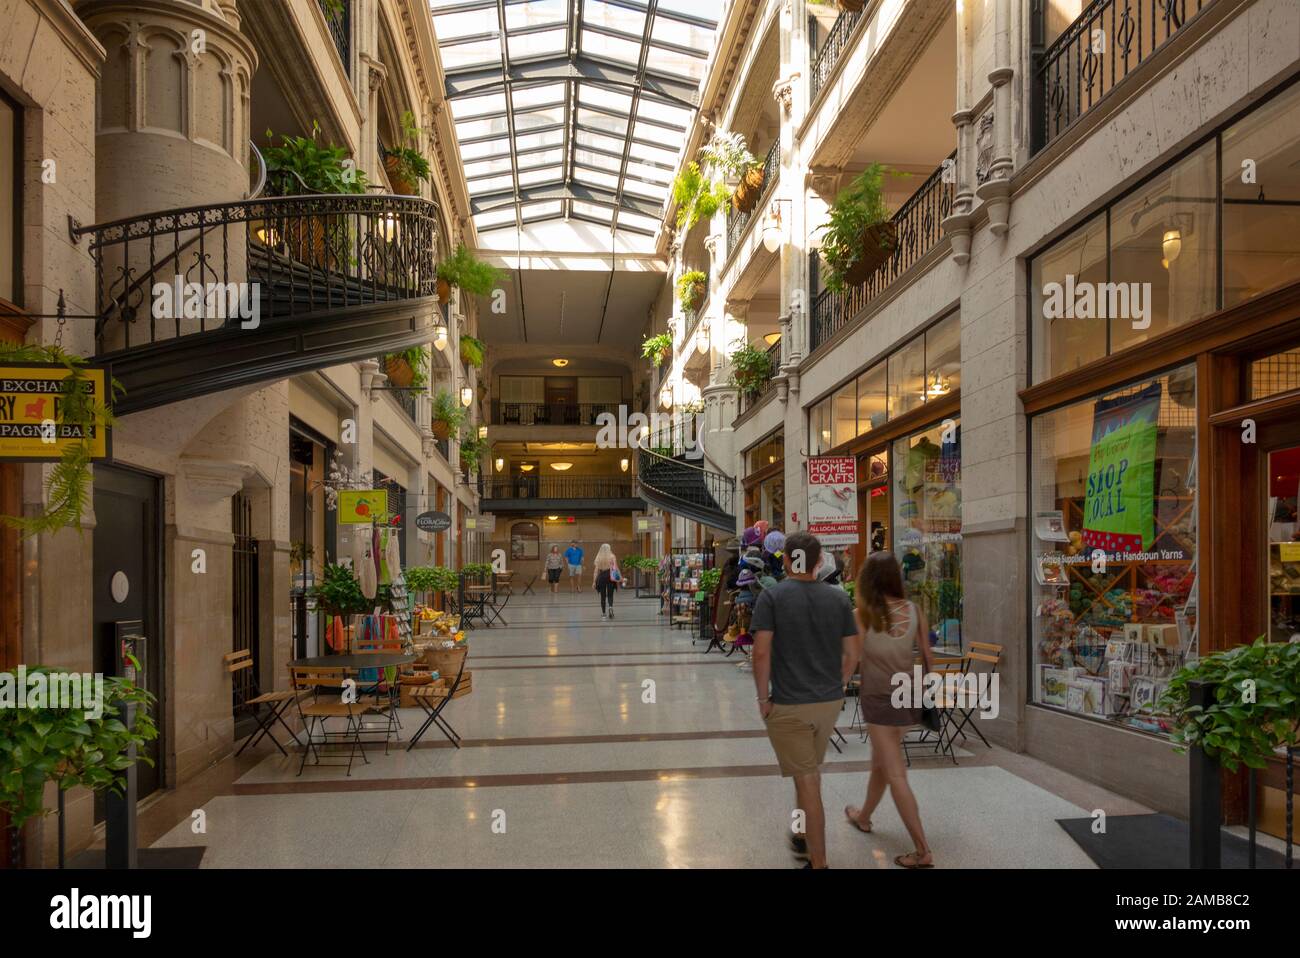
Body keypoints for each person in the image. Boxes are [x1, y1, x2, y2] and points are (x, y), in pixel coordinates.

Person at [750, 531, 859, 869]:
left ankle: (819, 861)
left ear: (785, 560)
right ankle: (800, 834)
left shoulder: (772, 598)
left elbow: (761, 653)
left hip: (789, 702)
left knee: (808, 780)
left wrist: (763, 697)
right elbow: (853, 653)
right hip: (827, 704)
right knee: (808, 771)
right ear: (819, 562)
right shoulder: (839, 599)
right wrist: (838, 684)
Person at [844, 551, 935, 869]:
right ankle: (864, 816)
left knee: (895, 772)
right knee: (881, 764)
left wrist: (836, 690)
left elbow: (852, 660)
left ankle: (922, 850)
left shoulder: (862, 614)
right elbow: (926, 656)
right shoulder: (915, 610)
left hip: (880, 700)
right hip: (909, 698)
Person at [592, 543, 620, 619]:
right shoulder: (612, 556)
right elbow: (615, 568)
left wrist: (594, 581)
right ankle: (610, 607)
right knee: (610, 594)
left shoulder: (598, 557)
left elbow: (596, 571)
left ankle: (604, 613)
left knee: (603, 595)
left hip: (601, 576)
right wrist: (618, 579)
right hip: (610, 576)